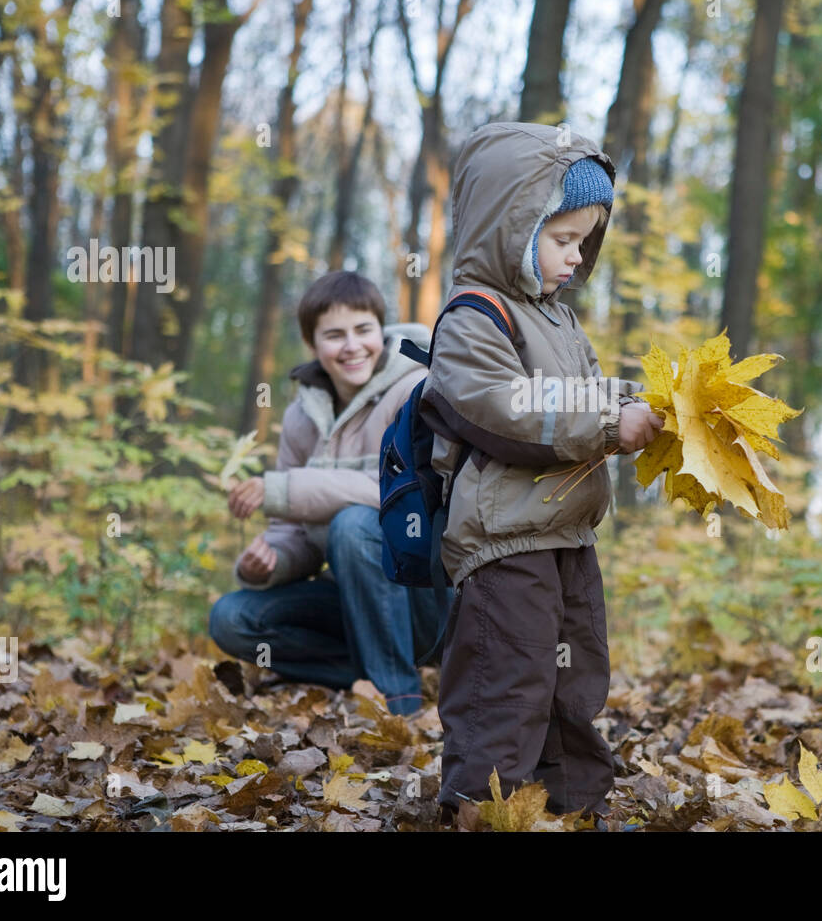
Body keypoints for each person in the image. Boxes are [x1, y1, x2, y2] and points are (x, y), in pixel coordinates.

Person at [419, 122, 664, 818]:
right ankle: (483, 807)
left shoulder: (559, 321)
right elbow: (506, 409)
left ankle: (571, 806)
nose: (576, 258)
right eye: (562, 240)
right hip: (504, 541)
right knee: (508, 680)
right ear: (511, 227)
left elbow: (586, 392)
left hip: (567, 536)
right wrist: (608, 426)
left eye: (585, 241)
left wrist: (638, 404)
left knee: (575, 680)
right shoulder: (475, 318)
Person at [209, 270, 449, 715]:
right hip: (354, 602)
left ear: (381, 330)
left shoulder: (414, 391)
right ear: (313, 344)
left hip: (424, 599)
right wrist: (269, 563)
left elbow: (405, 497)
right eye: (335, 335)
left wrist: (283, 489)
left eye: (363, 330)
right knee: (231, 618)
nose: (352, 346)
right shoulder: (302, 417)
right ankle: (364, 674)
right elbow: (293, 531)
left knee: (354, 525)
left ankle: (398, 700)